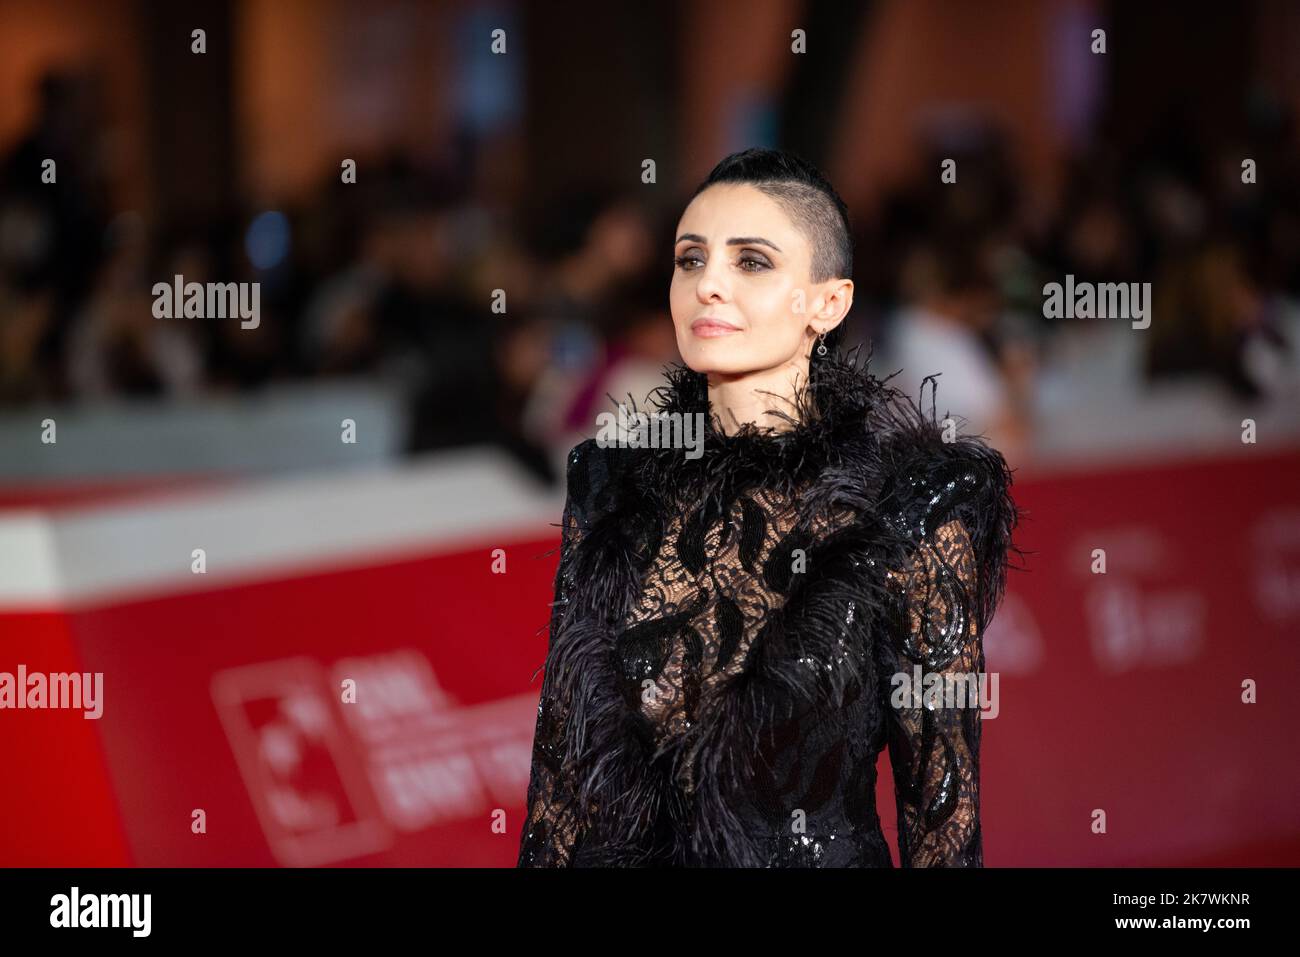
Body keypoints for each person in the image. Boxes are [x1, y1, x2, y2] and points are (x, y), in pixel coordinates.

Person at [517, 148, 1022, 867]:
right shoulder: (610, 487)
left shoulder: (910, 506)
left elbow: (942, 821)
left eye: (751, 261)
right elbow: (560, 791)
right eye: (690, 260)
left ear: (829, 301)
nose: (708, 285)